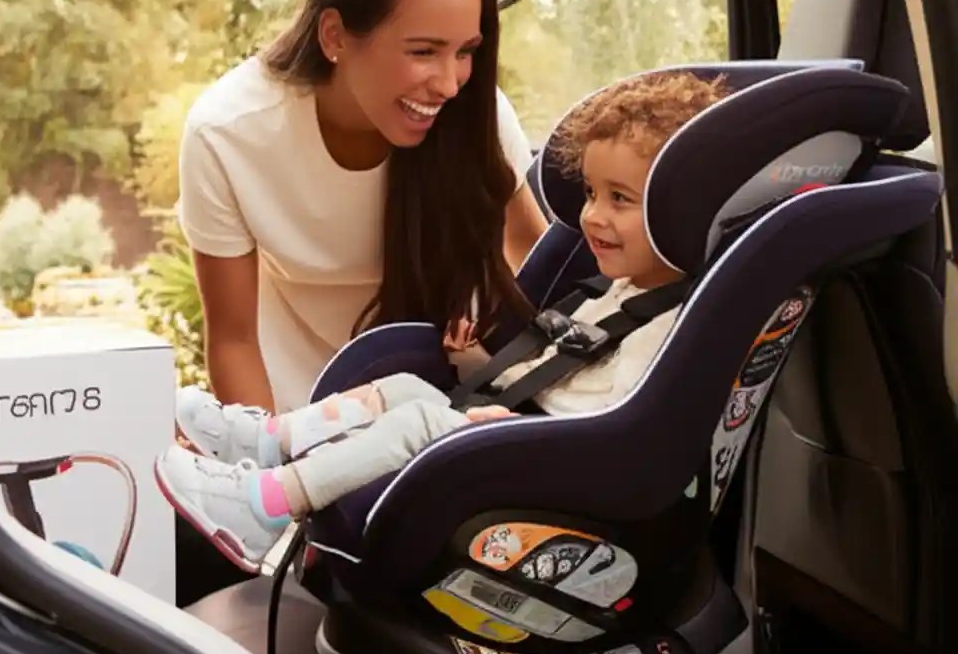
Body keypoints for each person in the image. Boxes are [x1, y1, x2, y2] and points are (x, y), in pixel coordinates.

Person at [156, 71, 734, 574]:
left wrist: (505, 424)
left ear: (683, 209)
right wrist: (479, 367)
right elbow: (561, 374)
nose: (592, 217)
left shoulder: (669, 327)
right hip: (535, 434)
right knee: (409, 389)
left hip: (565, 472)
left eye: (619, 199)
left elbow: (617, 424)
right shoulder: (613, 290)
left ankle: (266, 507)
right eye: (588, 192)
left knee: (424, 422)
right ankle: (264, 441)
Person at [177, 0, 549, 417]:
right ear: (334, 35)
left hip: (455, 398)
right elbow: (234, 340)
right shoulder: (226, 133)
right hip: (303, 414)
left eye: (466, 51)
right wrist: (269, 459)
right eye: (423, 51)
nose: (451, 84)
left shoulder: (473, 114)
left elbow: (535, 263)